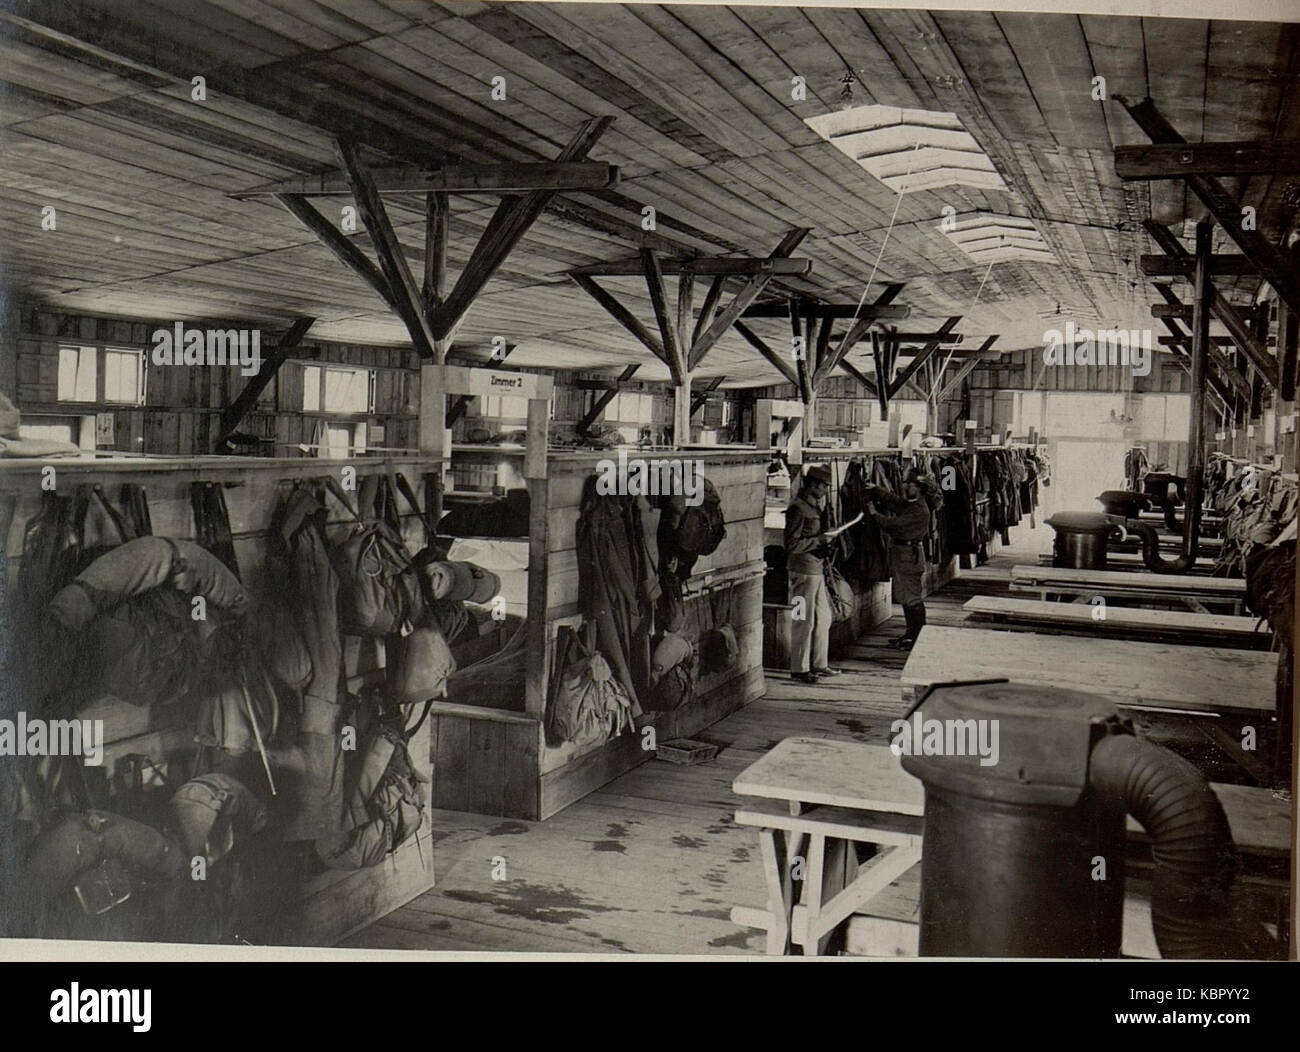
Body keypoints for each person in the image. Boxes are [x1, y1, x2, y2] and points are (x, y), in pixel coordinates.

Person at [866, 468, 937, 650]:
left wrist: (874, 514)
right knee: (906, 598)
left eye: (909, 484)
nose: (905, 487)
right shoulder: (915, 504)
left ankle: (917, 637)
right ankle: (910, 635)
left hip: (909, 556)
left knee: (912, 598)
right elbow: (896, 502)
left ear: (918, 488)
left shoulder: (920, 510)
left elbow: (895, 525)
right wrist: (876, 489)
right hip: (903, 555)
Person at [784, 464, 841, 685]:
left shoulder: (815, 506)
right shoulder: (798, 508)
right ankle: (799, 668)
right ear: (814, 485)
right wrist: (818, 541)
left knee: (823, 617)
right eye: (824, 485)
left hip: (815, 569)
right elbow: (791, 544)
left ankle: (819, 663)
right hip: (801, 571)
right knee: (802, 620)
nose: (826, 489)